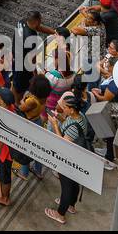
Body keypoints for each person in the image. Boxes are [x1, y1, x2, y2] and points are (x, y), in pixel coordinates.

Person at [44, 92, 94, 225]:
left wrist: (54, 125)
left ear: (71, 110)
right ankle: (71, 205)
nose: (62, 108)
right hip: (77, 156)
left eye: (65, 107)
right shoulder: (79, 116)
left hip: (68, 158)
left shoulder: (72, 127)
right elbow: (67, 123)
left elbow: (63, 142)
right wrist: (58, 118)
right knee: (73, 183)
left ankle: (60, 214)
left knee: (66, 186)